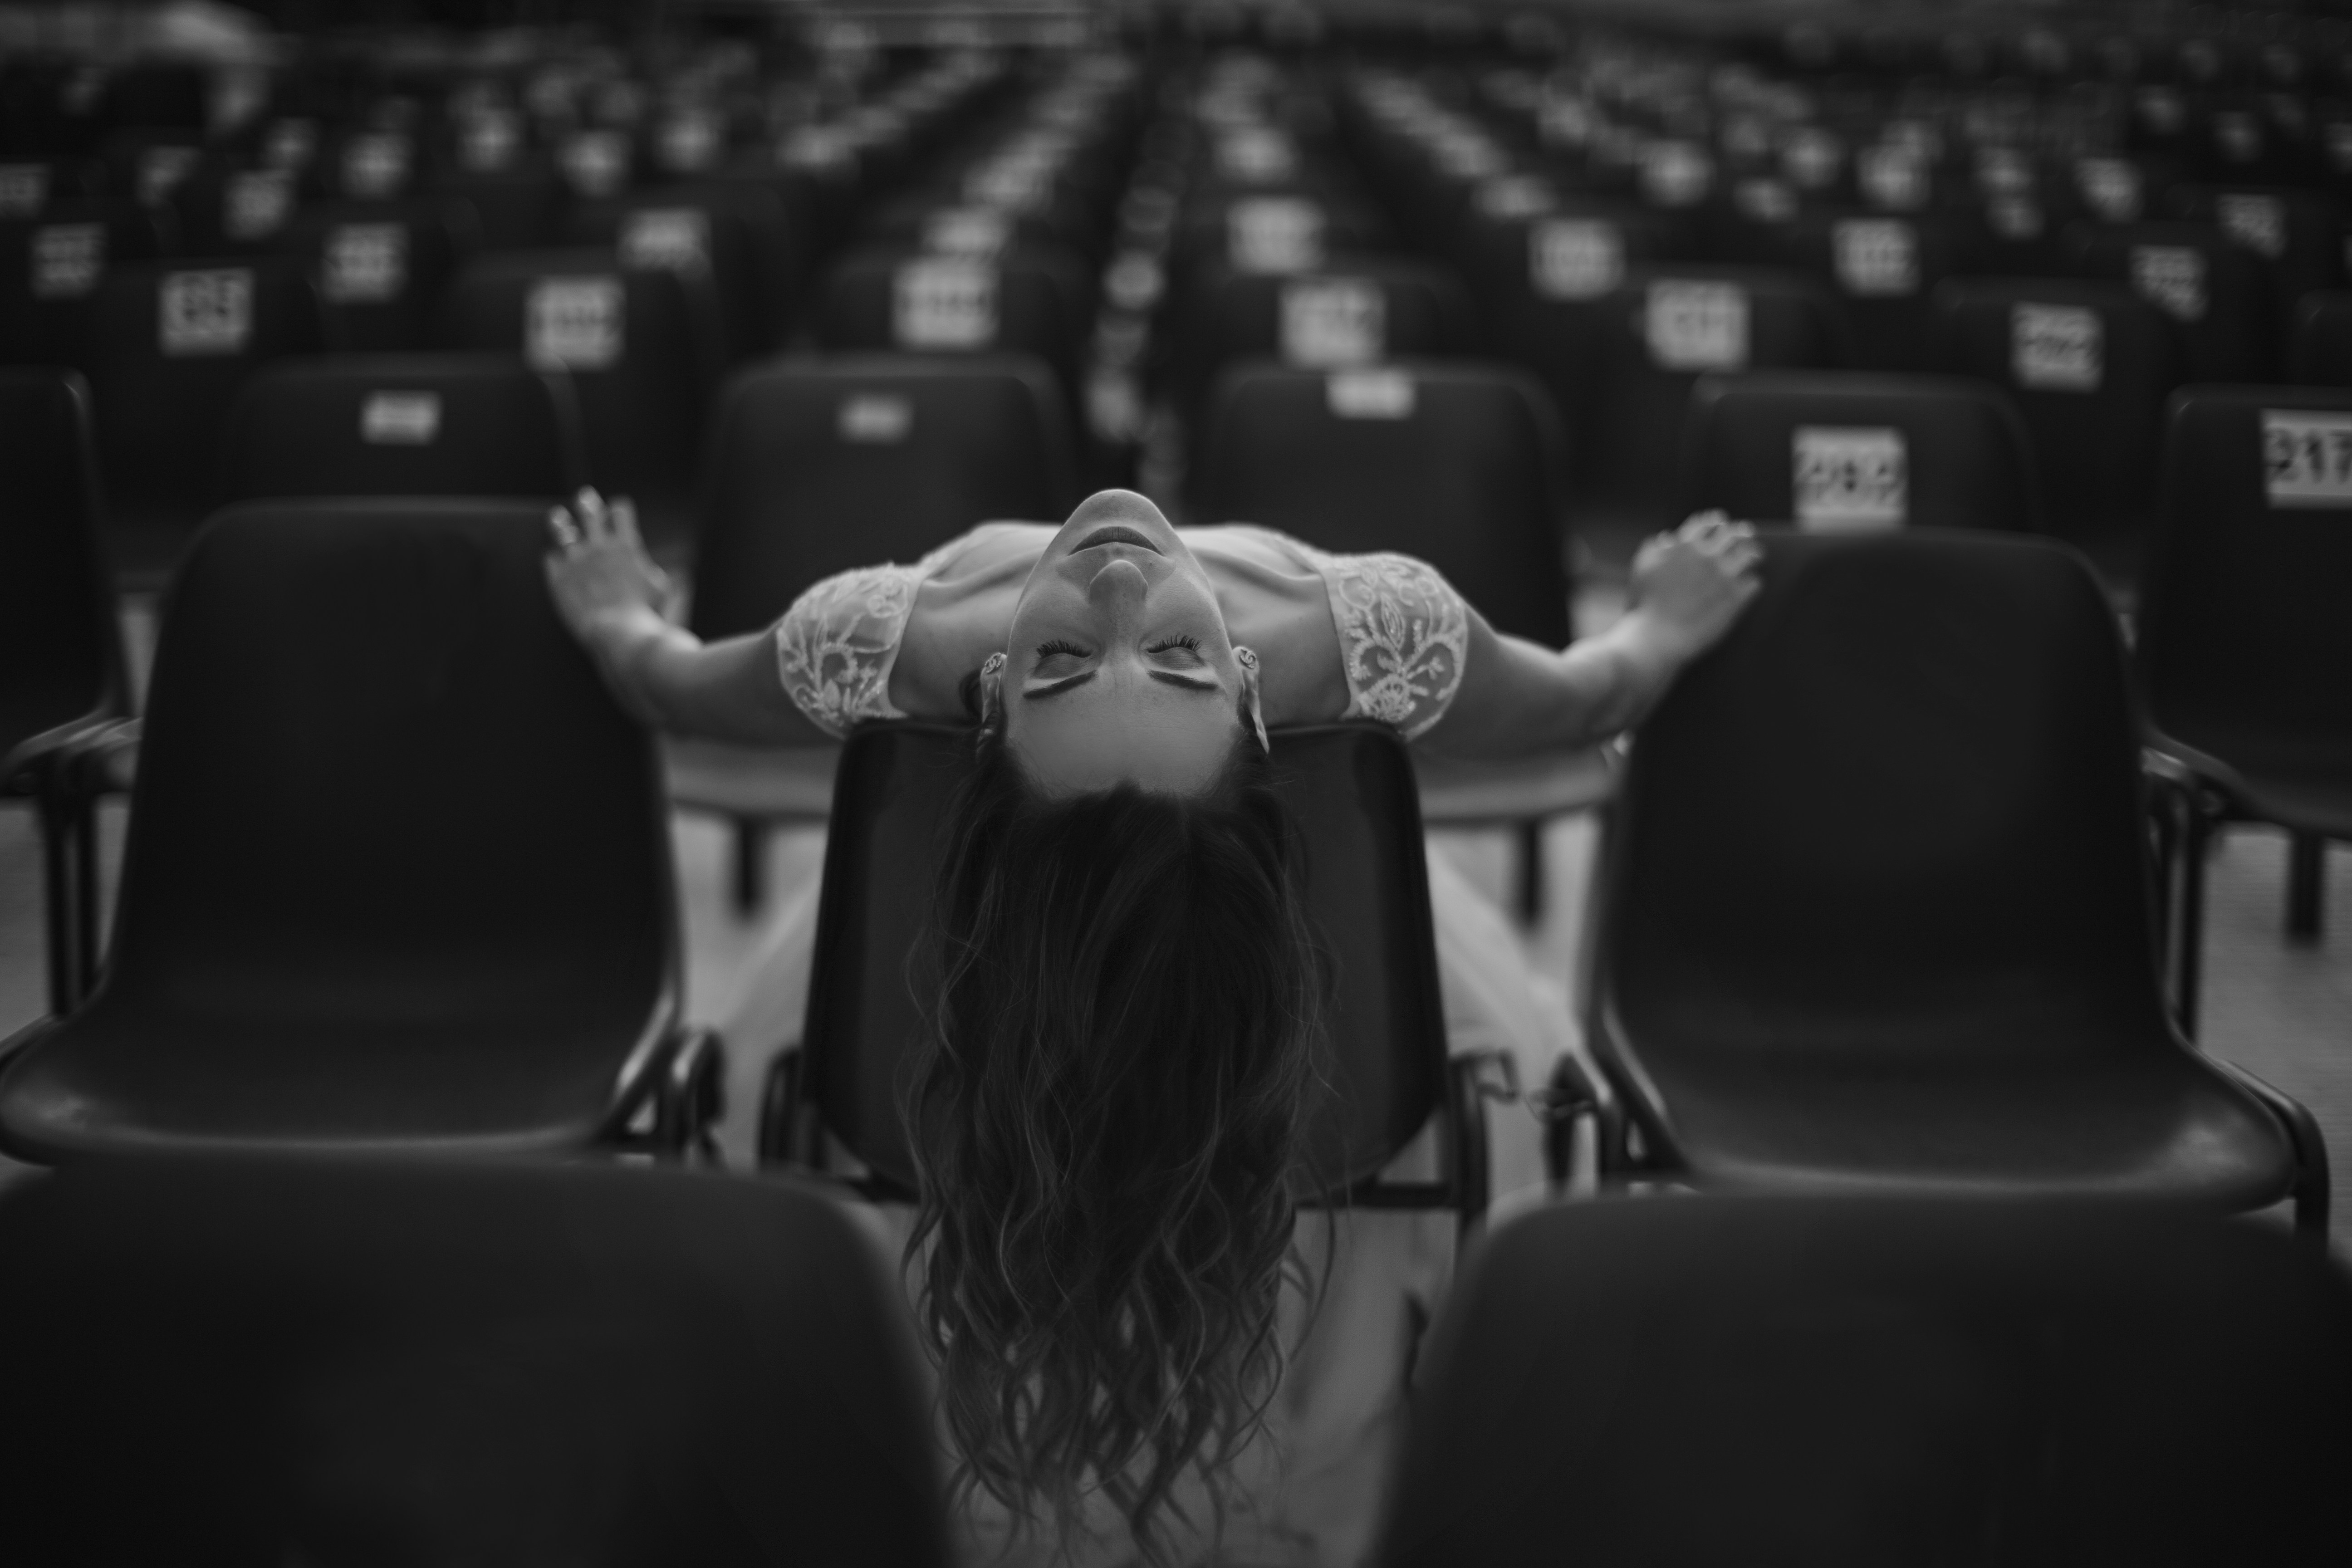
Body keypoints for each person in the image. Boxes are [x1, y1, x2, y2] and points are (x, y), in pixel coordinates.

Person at [544, 487, 1759, 1567]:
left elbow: (670, 684)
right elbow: (1588, 695)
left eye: (1067, 663)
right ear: (1250, 710)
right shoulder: (1370, 635)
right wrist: (1656, 625)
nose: (1119, 578)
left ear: (993, 716)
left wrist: (616, 619)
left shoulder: (894, 642)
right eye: (1168, 660)